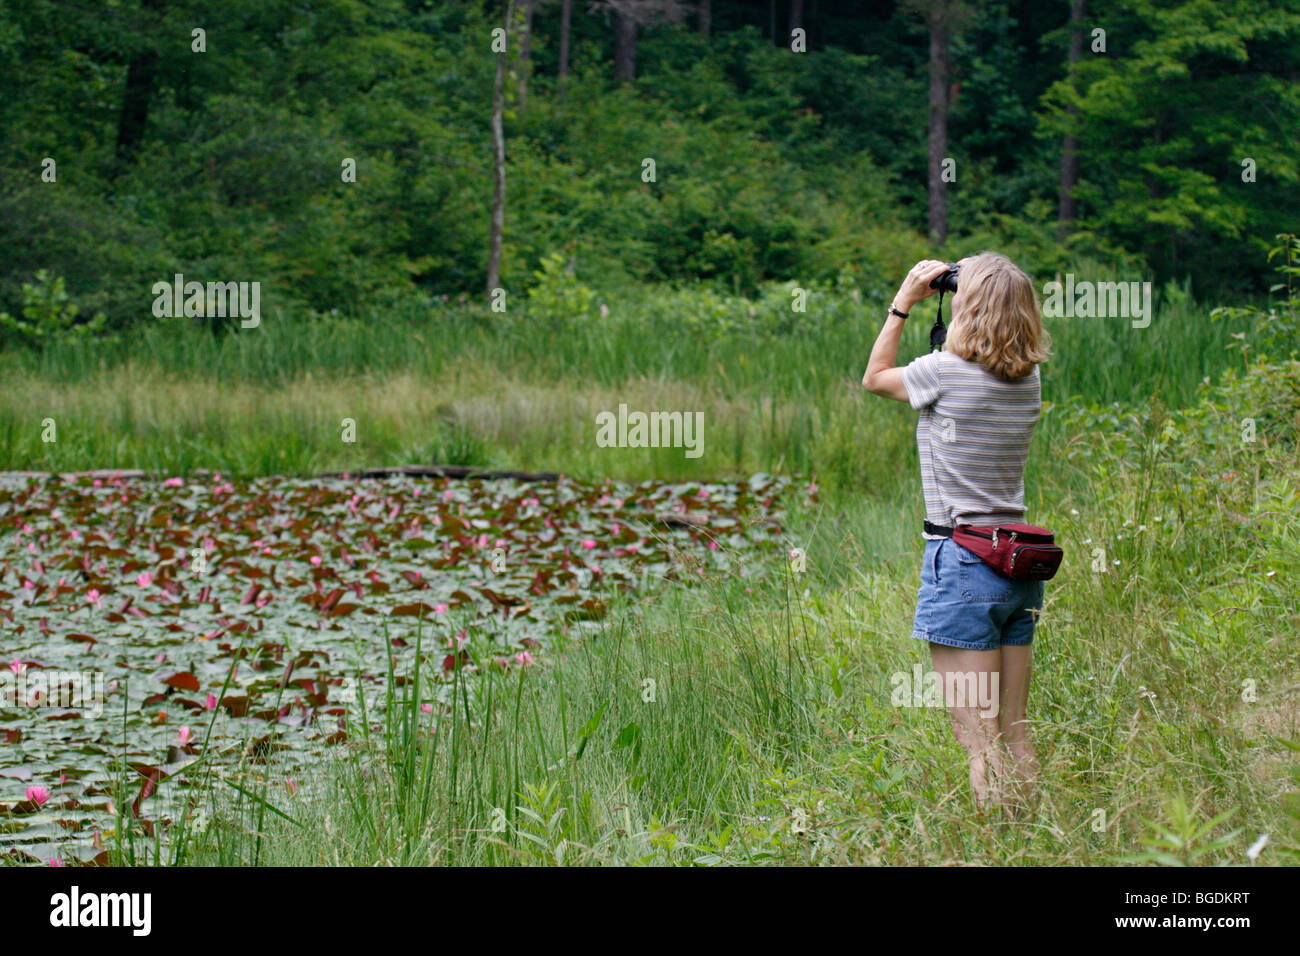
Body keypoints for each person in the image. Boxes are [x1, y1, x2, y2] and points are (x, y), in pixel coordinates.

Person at [862, 252, 1051, 809]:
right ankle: (1033, 844)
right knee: (1014, 730)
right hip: (1017, 564)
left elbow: (873, 379)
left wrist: (904, 303)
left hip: (962, 560)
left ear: (969, 306)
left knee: (978, 741)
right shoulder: (1029, 378)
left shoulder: (942, 372)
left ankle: (998, 848)